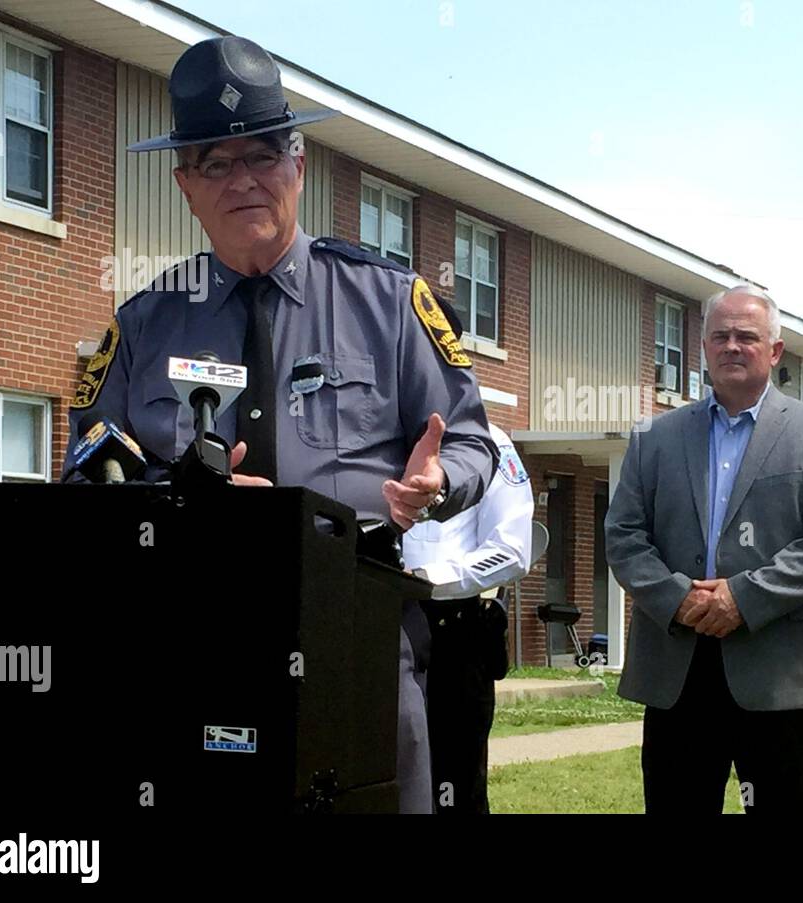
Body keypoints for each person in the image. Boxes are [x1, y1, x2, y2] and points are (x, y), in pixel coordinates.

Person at [62, 35, 497, 814]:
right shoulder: (144, 323)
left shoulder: (389, 303)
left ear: (298, 163)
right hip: (190, 632)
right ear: (184, 184)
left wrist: (437, 483)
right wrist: (178, 498)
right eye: (215, 164)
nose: (243, 181)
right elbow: (89, 470)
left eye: (261, 155)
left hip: (354, 625)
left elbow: (468, 441)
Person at [604, 284, 803, 814]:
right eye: (719, 336)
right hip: (679, 667)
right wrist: (678, 599)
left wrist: (742, 599)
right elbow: (624, 536)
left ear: (775, 351)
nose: (731, 347)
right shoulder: (654, 437)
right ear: (702, 347)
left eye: (747, 336)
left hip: (782, 672)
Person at [403, 421, 533, 814]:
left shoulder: (489, 442)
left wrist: (426, 580)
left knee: (454, 788)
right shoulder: (368, 429)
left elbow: (512, 550)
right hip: (368, 619)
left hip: (452, 630)